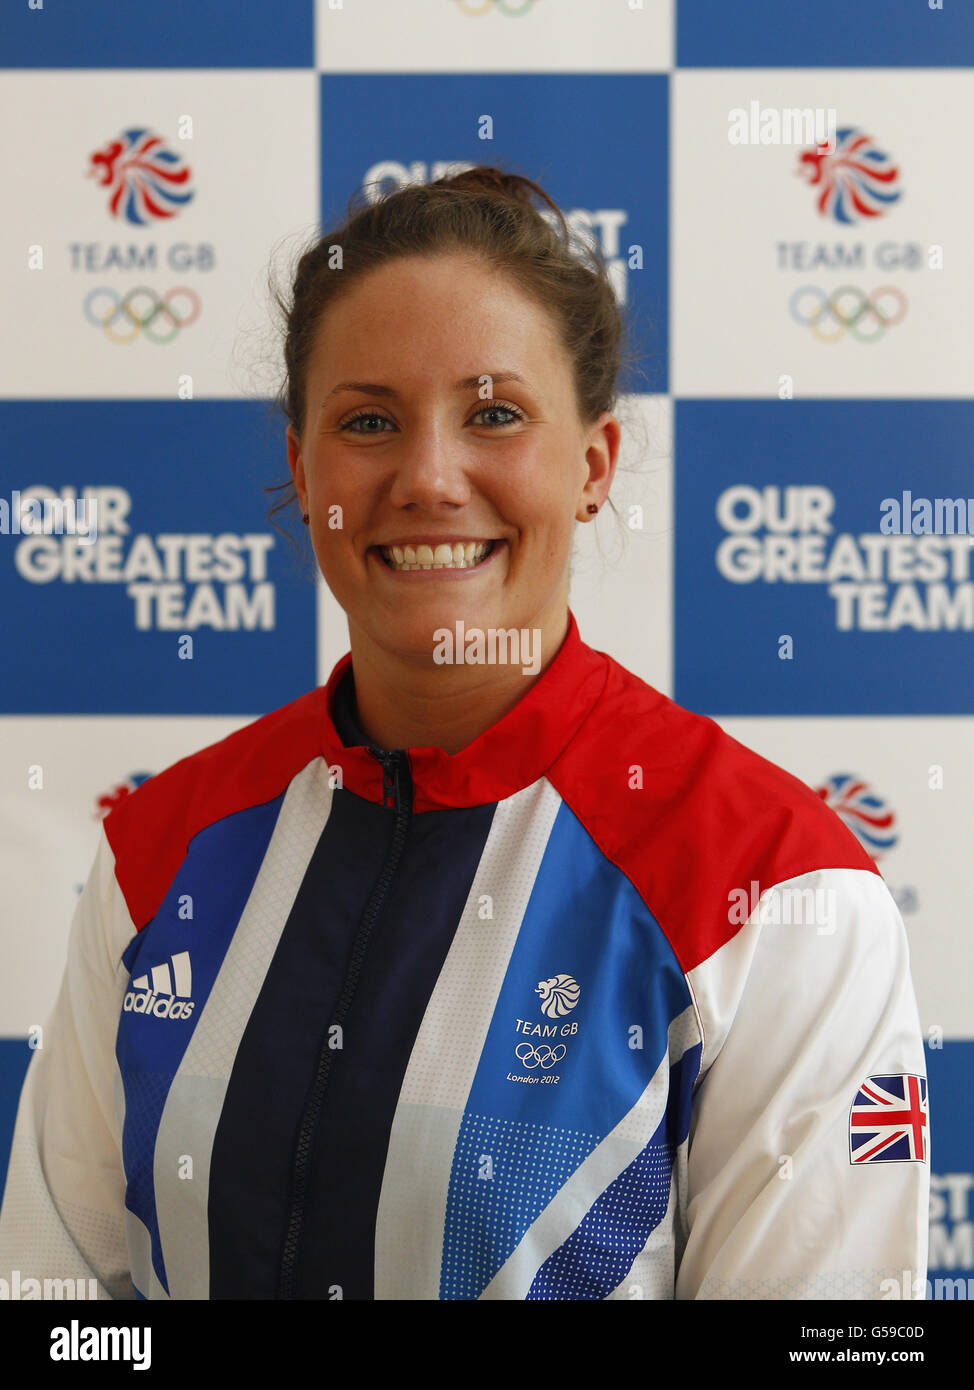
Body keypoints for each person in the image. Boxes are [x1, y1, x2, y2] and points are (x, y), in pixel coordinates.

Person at [0, 165, 928, 1301]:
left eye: (493, 415)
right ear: (302, 469)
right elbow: (57, 1299)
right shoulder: (166, 843)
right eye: (369, 422)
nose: (429, 478)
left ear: (591, 466)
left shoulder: (775, 886)